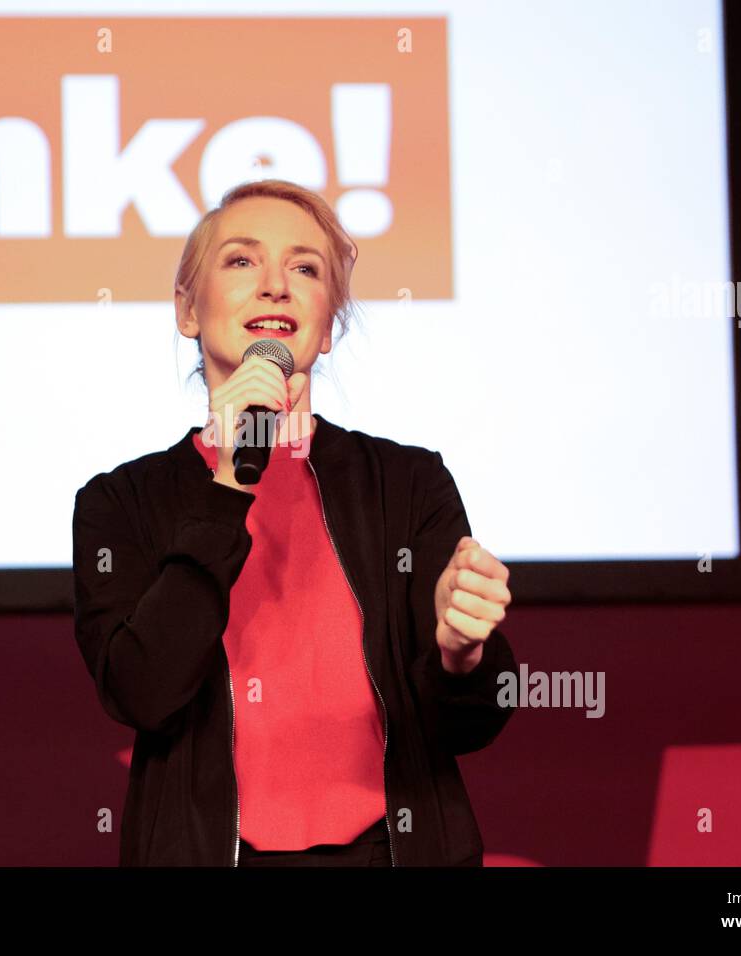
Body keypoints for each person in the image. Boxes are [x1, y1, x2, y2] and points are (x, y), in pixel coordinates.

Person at [72, 178, 516, 867]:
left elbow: (472, 722)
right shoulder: (121, 503)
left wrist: (461, 653)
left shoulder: (407, 484)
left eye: (305, 269)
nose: (276, 285)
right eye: (242, 261)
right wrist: (228, 482)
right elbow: (142, 692)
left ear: (328, 325)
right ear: (187, 310)